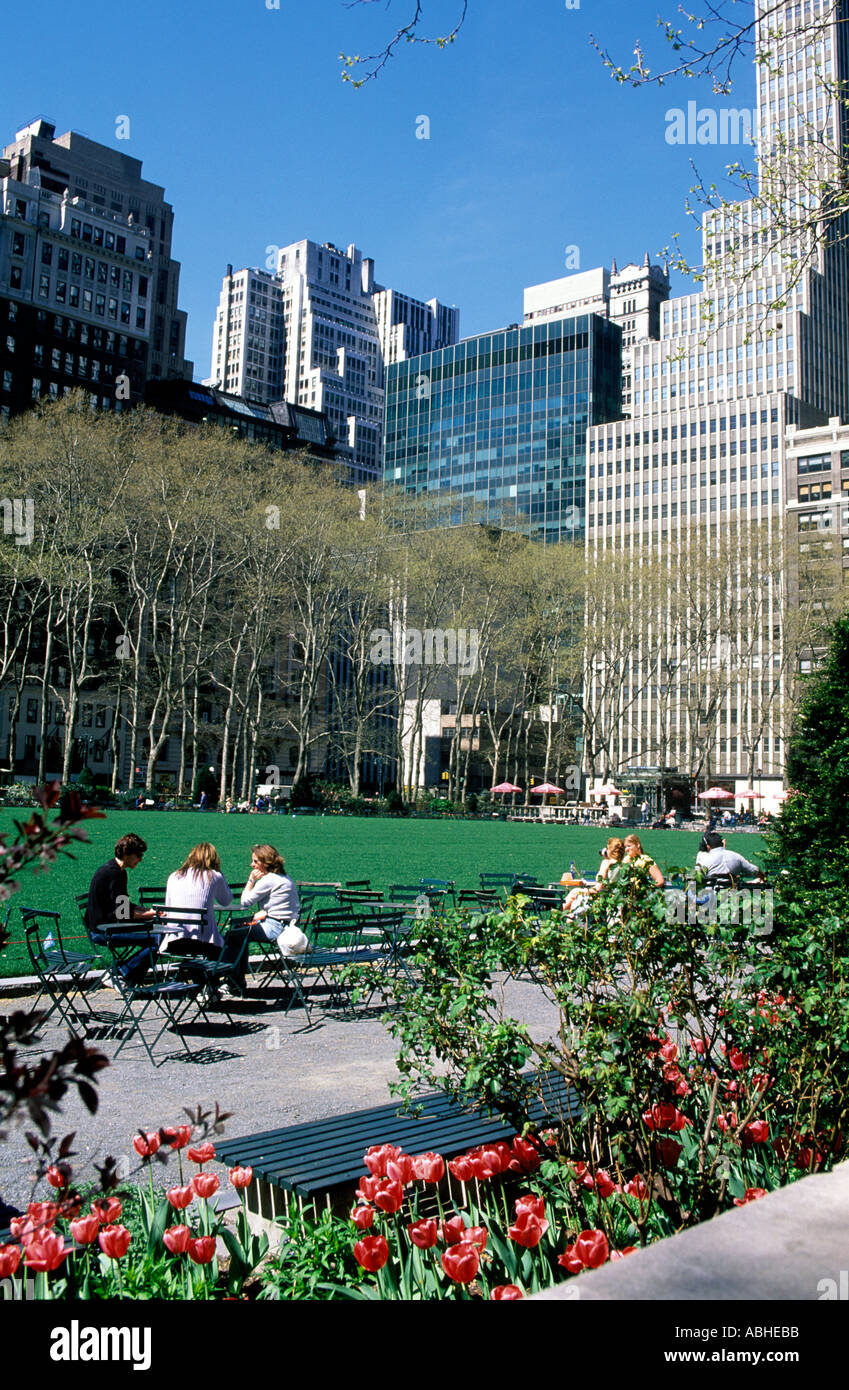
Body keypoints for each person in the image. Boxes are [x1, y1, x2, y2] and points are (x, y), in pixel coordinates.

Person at [85, 834, 158, 984]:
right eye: (138, 855)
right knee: (158, 940)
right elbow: (123, 913)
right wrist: (150, 915)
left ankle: (127, 978)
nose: (140, 859)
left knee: (154, 936)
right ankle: (121, 973)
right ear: (126, 854)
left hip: (100, 926)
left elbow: (122, 904)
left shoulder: (112, 869)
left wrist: (144, 910)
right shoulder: (116, 874)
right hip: (105, 931)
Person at [239, 845, 306, 975]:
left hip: (275, 928)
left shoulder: (269, 880)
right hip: (288, 926)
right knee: (240, 933)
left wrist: (251, 880)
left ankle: (235, 980)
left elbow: (244, 902)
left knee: (236, 935)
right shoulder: (284, 877)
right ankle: (236, 980)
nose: (252, 865)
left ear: (266, 862)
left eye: (255, 861)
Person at [159, 843, 232, 959]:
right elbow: (226, 900)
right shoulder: (214, 876)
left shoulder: (174, 876)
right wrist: (221, 874)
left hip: (174, 941)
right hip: (205, 943)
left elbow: (169, 906)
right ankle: (214, 976)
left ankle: (200, 975)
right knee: (232, 943)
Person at [698, 832, 764, 883]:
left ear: (708, 846)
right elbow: (755, 871)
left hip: (712, 897)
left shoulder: (704, 860)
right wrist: (764, 879)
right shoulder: (736, 856)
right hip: (733, 896)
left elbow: (697, 879)